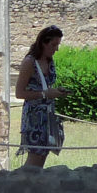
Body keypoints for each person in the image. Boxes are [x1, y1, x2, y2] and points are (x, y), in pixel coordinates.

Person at [15, 25, 67, 168]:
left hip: (48, 115)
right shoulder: (29, 63)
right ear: (43, 43)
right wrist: (44, 94)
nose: (56, 49)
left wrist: (57, 91)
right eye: (53, 45)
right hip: (34, 117)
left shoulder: (50, 62)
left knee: (43, 155)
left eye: (58, 45)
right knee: (35, 157)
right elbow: (19, 93)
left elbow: (47, 86)